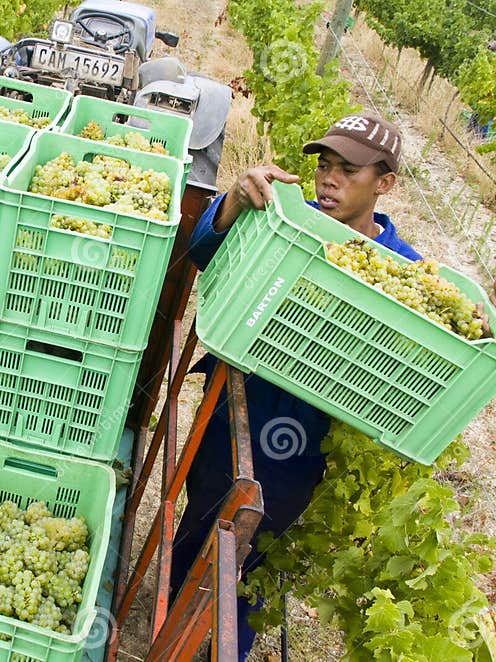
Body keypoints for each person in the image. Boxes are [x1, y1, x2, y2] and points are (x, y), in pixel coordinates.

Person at [169, 113, 422, 660]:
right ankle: (174, 616)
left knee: (256, 555)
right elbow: (203, 255)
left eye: (348, 171)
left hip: (301, 443)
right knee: (202, 523)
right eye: (324, 166)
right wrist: (232, 202)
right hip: (236, 408)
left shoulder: (403, 269)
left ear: (385, 184)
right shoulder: (284, 221)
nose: (328, 180)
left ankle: (224, 644)